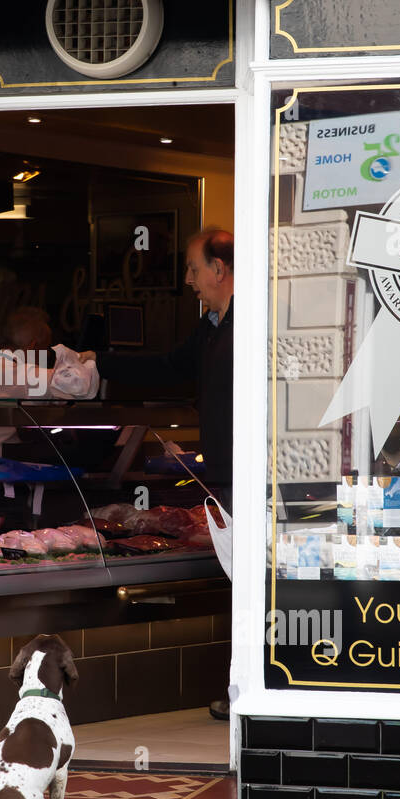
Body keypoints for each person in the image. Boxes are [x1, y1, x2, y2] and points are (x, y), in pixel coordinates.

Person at [84, 228, 234, 719]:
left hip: (254, 476)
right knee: (240, 580)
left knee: (253, 582)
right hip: (224, 477)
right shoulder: (212, 325)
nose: (188, 279)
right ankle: (240, 688)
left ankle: (246, 689)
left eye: (194, 268)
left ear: (219, 269)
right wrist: (100, 362)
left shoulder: (252, 322)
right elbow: (171, 366)